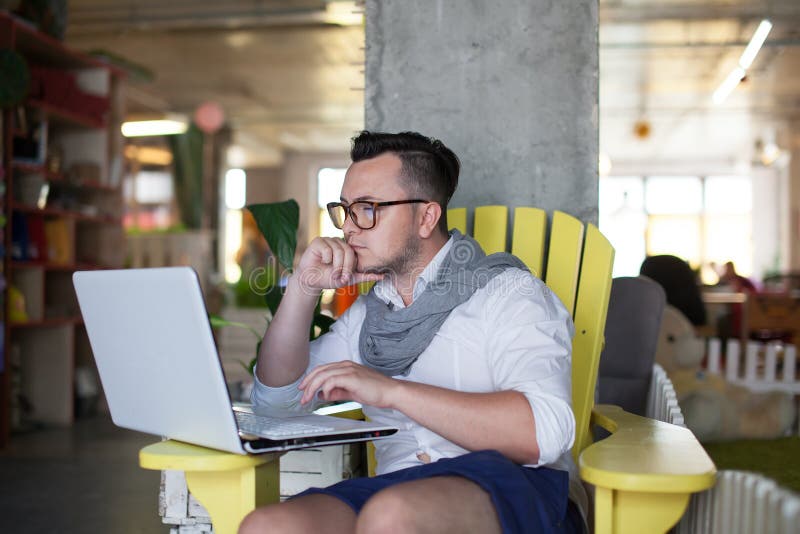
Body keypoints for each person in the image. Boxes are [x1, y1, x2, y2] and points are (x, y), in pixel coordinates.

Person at [238, 131, 584, 534]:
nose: (349, 228)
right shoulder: (368, 318)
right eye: (346, 211)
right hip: (395, 487)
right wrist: (303, 286)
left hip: (513, 486)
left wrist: (393, 391)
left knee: (392, 517)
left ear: (426, 217)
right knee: (269, 526)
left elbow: (545, 431)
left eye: (367, 209)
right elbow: (276, 403)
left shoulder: (508, 295)